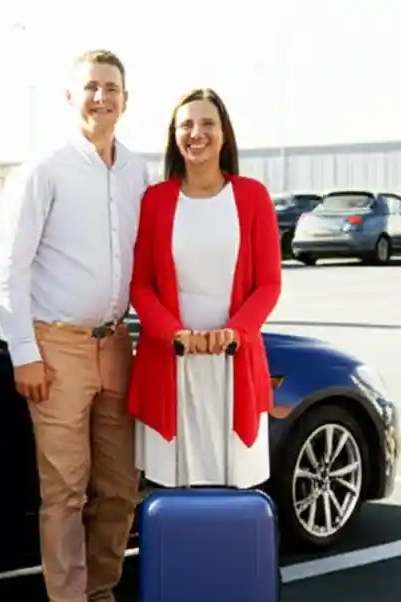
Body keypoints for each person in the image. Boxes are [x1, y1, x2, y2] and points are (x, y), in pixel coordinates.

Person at [0, 49, 151, 602]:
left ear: (126, 99)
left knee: (119, 488)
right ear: (70, 97)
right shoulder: (43, 171)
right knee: (66, 491)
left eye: (111, 88)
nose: (101, 98)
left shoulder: (136, 172)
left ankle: (102, 598)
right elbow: (10, 269)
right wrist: (23, 353)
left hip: (117, 344)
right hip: (55, 347)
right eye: (90, 87)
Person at [128, 88, 282, 491]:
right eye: (187, 125)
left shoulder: (252, 197)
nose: (197, 133)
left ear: (224, 133)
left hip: (235, 364)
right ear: (174, 137)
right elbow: (141, 285)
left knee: (235, 489)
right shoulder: (155, 201)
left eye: (208, 123)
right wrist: (172, 335)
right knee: (172, 489)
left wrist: (237, 332)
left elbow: (268, 284)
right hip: (170, 363)